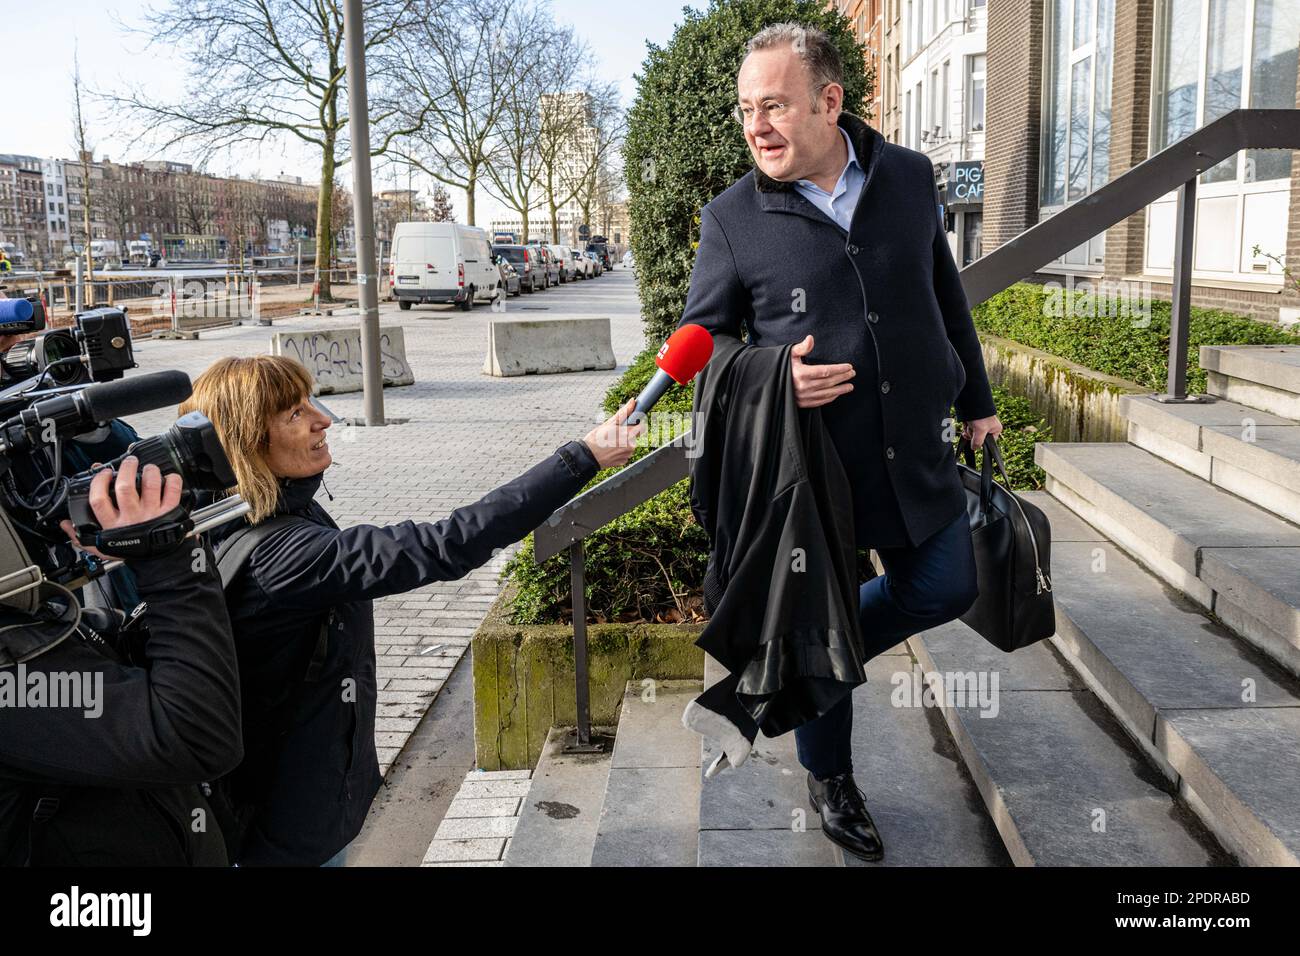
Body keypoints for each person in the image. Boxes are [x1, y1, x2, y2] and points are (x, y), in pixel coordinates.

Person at [677, 22, 1003, 862]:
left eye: (775, 105)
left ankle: (789, 664)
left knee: (945, 585)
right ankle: (832, 781)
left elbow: (943, 293)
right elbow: (700, 345)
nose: (757, 126)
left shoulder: (907, 177)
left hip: (916, 452)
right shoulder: (732, 218)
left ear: (829, 101)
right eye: (748, 110)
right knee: (820, 616)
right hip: (813, 470)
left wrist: (978, 397)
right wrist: (769, 373)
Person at [180, 355, 644, 866]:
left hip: (298, 804)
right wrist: (582, 457)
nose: (323, 420)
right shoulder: (283, 555)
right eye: (294, 414)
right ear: (247, 442)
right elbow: (448, 543)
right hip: (293, 829)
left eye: (311, 402)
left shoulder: (238, 513)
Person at [0, 459, 244, 865]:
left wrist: (149, 546)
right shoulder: (12, 678)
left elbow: (172, 669)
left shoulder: (31, 624)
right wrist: (168, 563)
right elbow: (197, 737)